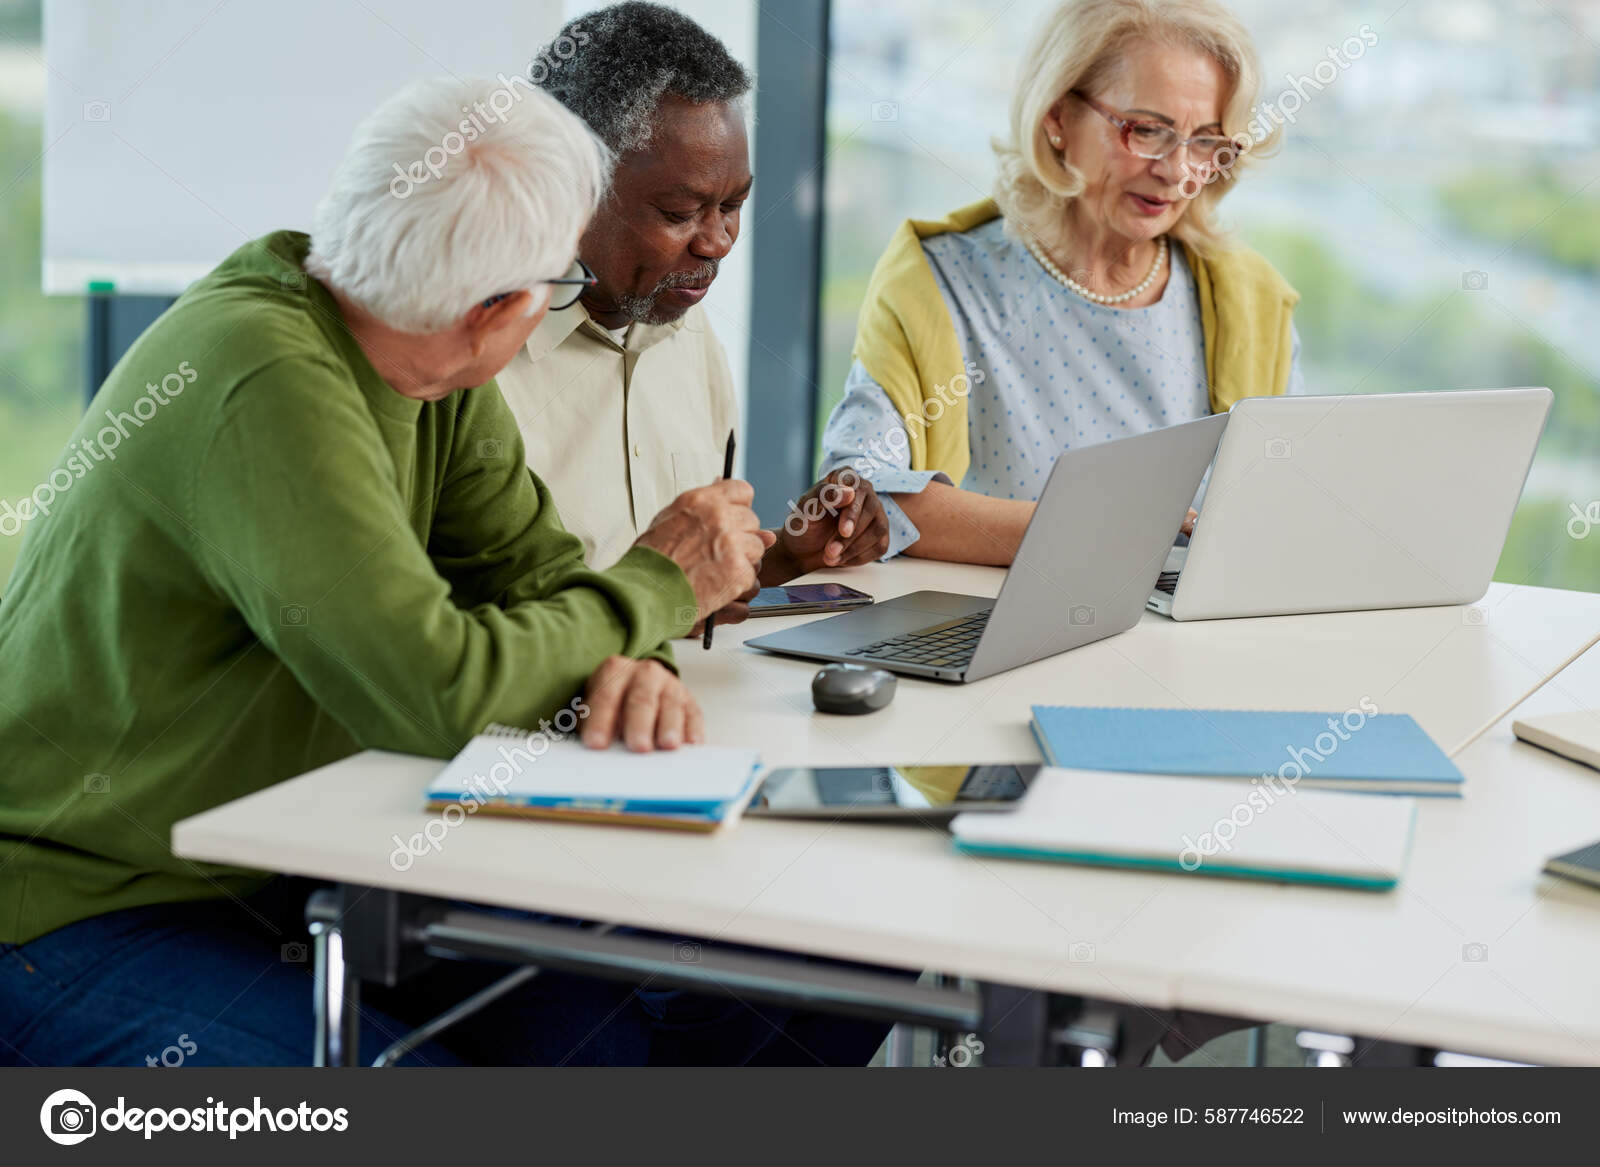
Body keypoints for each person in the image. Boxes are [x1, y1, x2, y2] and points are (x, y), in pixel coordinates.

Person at [0, 78, 879, 1067]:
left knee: (644, 1026)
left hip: (285, 862)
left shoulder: (427, 362)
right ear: (494, 307)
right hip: (81, 903)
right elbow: (437, 690)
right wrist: (659, 585)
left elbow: (535, 573)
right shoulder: (265, 376)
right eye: (555, 286)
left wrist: (636, 666)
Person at [818, 0, 1304, 567]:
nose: (1177, 171)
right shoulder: (938, 281)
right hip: (993, 618)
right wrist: (1093, 526)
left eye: (1205, 141)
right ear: (1057, 117)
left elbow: (1292, 505)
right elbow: (857, 495)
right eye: (1148, 130)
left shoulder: (1252, 301)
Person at [495, 2, 889, 620]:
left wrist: (788, 554)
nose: (718, 242)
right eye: (680, 213)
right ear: (569, 186)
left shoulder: (687, 332)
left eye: (732, 206)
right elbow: (466, 635)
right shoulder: (473, 359)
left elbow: (693, 591)